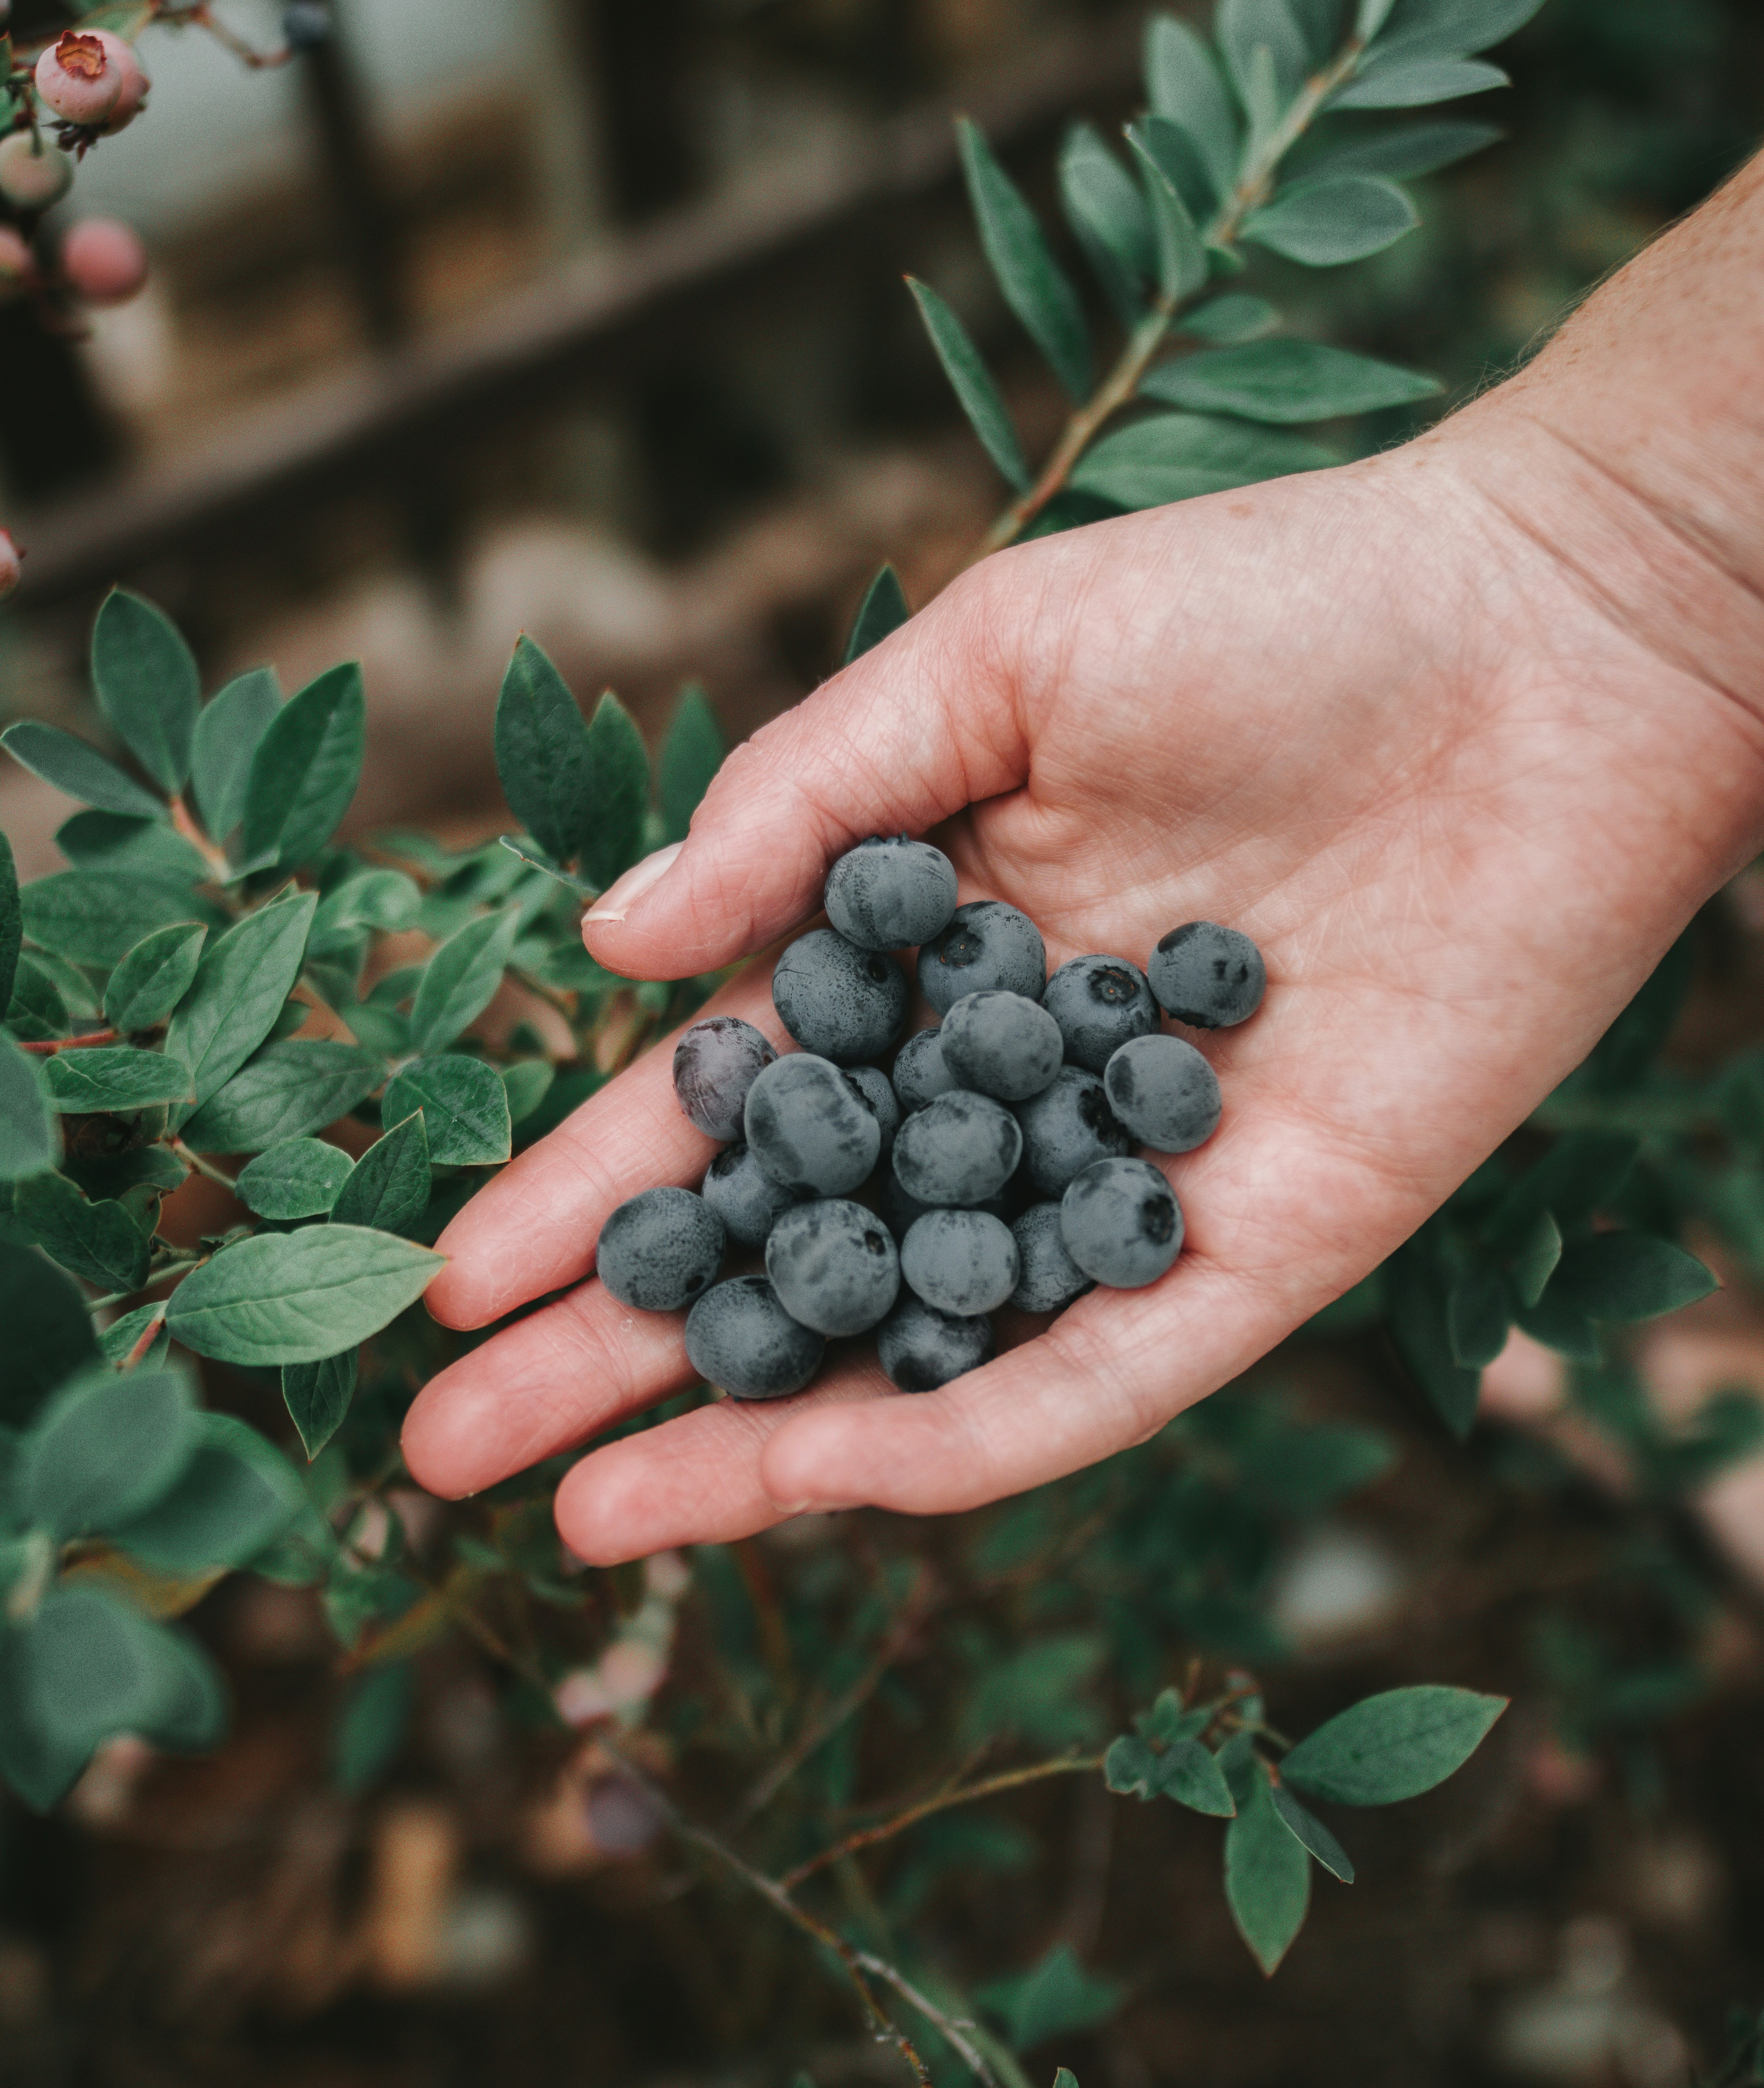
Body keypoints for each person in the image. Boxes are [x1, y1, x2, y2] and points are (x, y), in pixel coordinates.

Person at [401, 149, 1764, 1565]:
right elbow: (922, 1159)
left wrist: (1619, 548)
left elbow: (963, 1150)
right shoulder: (945, 1082)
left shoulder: (1010, 1073)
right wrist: (1623, 546)